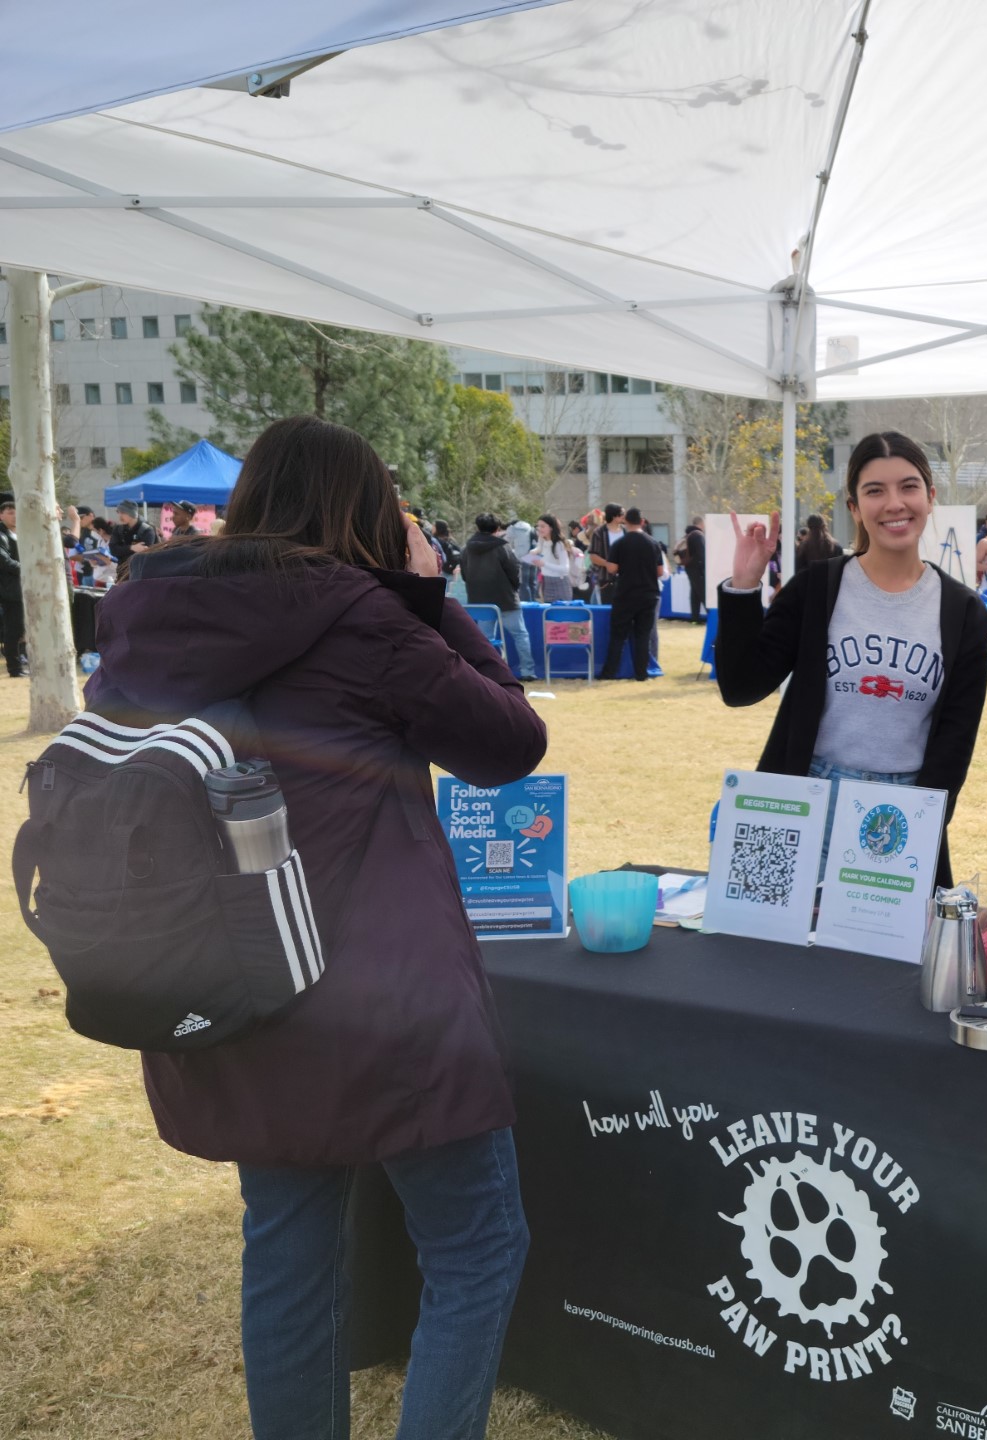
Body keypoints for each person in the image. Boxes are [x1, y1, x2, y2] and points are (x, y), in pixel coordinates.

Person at [85, 414, 546, 1439]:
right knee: (477, 1246)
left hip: (227, 981)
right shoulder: (361, 618)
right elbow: (511, 740)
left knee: (289, 1248)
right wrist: (429, 597)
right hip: (379, 998)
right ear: (364, 512)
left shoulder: (148, 613)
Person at [717, 431, 987, 886]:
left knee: (885, 953)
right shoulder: (816, 588)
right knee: (769, 950)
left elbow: (955, 744)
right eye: (874, 491)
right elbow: (741, 687)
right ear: (853, 507)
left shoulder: (961, 612)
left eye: (908, 487)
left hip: (901, 805)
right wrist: (744, 586)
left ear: (930, 496)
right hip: (802, 791)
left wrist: (923, 823)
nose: (894, 504)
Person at [459, 513, 534, 679]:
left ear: (478, 527)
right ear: (497, 529)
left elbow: (464, 574)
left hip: (480, 602)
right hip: (505, 599)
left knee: (485, 640)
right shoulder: (502, 546)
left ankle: (489, 674)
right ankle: (528, 671)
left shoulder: (467, 548)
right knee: (520, 635)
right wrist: (514, 588)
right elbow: (514, 569)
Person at [600, 506, 662, 680]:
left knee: (618, 636)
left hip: (625, 595)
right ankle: (641, 673)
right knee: (643, 636)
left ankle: (609, 672)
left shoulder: (620, 543)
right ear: (642, 522)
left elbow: (612, 568)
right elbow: (659, 571)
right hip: (648, 595)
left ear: (625, 522)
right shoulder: (653, 543)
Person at [530, 514, 575, 603]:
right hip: (546, 582)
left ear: (551, 528)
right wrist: (533, 555)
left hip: (560, 582)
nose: (539, 529)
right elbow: (542, 552)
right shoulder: (542, 540)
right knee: (548, 614)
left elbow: (565, 568)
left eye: (542, 526)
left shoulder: (559, 544)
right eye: (538, 526)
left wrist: (544, 564)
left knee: (561, 614)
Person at [0, 497, 21, 677]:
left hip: (24, 589)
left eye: (16, 512)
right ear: (1, 516)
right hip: (10, 592)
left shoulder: (21, 533)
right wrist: (30, 570)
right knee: (13, 629)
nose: (14, 516)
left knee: (23, 629)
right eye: (10, 513)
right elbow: (4, 562)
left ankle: (20, 663)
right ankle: (14, 668)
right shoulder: (1, 536)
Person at [683, 517, 707, 621]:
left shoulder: (688, 534)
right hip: (698, 568)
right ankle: (711, 614)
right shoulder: (698, 535)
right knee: (703, 592)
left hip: (689, 567)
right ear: (701, 523)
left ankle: (694, 618)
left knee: (695, 592)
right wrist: (705, 567)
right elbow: (702, 553)